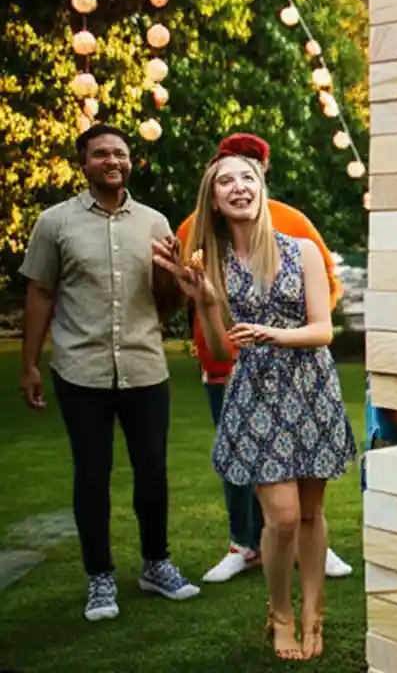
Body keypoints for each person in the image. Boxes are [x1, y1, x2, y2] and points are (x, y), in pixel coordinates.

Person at [154, 153, 357, 660]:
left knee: (311, 513)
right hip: (256, 396)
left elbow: (323, 330)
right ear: (215, 200)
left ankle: (313, 611)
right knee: (282, 518)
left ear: (261, 188)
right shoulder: (213, 263)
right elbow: (224, 352)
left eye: (247, 178)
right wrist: (203, 302)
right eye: (226, 181)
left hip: (311, 390)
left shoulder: (302, 250)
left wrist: (272, 334)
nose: (239, 187)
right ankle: (280, 613)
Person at [18, 124, 200, 621]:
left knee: (153, 473)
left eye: (120, 153)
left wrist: (177, 279)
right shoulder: (55, 223)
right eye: (101, 153)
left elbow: (167, 302)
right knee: (92, 475)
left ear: (130, 161)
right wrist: (30, 364)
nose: (112, 160)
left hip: (145, 367)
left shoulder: (156, 222)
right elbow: (40, 294)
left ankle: (156, 564)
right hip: (81, 370)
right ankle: (99, 578)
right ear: (84, 163)